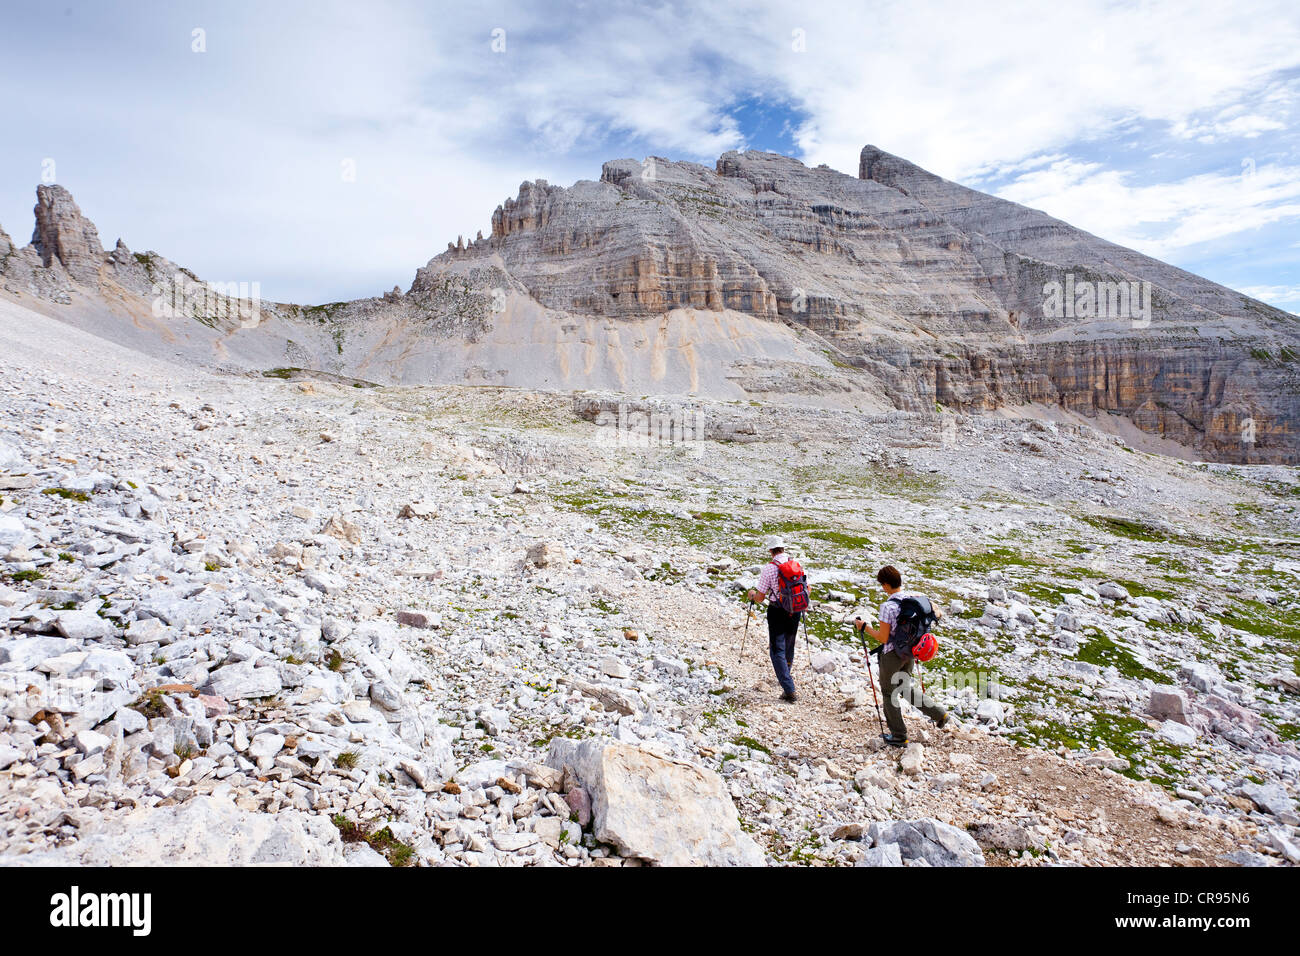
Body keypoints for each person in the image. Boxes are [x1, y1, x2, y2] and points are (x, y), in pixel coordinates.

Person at [854, 565, 947, 746]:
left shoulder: (887, 606)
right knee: (904, 688)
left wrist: (864, 627)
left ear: (887, 585)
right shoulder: (915, 598)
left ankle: (899, 735)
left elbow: (883, 637)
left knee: (889, 693)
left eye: (882, 584)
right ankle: (939, 713)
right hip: (911, 652)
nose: (882, 588)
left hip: (892, 655)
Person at [747, 535, 801, 703]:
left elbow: (761, 597)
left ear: (771, 550)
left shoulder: (769, 568)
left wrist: (752, 595)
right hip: (795, 610)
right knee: (789, 645)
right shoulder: (796, 564)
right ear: (783, 548)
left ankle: (789, 688)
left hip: (777, 610)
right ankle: (786, 675)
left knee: (777, 648)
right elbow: (808, 587)